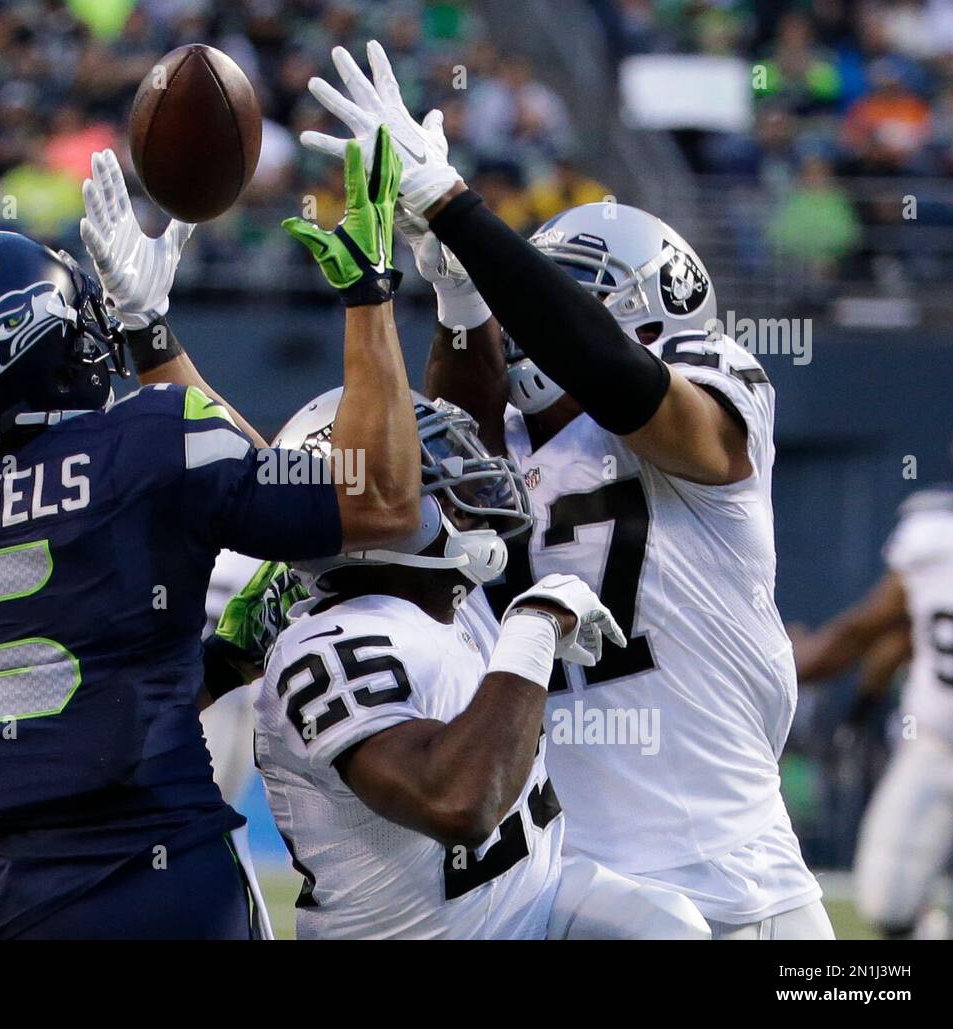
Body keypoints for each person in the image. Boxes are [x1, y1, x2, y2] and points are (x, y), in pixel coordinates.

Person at [301, 40, 832, 939]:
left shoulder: (710, 385)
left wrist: (458, 207)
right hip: (573, 886)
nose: (529, 324)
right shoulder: (500, 437)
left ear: (638, 307)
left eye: (561, 298)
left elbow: (620, 381)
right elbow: (453, 437)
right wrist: (461, 301)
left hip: (747, 876)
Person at [0, 131, 421, 939]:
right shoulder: (150, 446)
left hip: (7, 902)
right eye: (75, 323)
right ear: (31, 353)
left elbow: (69, 679)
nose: (92, 337)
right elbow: (380, 499)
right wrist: (368, 297)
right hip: (171, 883)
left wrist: (217, 662)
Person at [229, 387, 708, 939]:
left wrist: (153, 331)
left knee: (662, 927)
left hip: (529, 910)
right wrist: (535, 626)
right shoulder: (330, 649)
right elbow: (459, 803)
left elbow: (264, 466)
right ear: (366, 515)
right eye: (431, 473)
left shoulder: (449, 600)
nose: (467, 480)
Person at [792, 459, 953, 938]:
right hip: (935, 744)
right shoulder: (938, 545)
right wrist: (789, 666)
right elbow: (876, 633)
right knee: (888, 903)